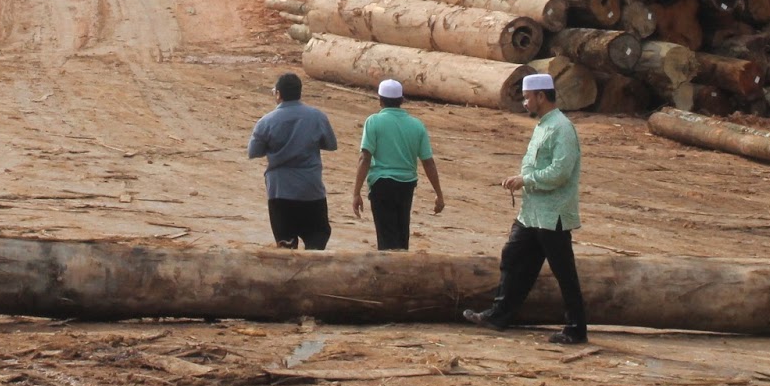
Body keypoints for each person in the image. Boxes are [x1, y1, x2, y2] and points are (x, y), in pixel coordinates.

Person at [464, 72, 588, 344]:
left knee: (563, 271)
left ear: (541, 96)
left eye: (527, 97)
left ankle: (577, 328)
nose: (524, 102)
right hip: (532, 211)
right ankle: (499, 315)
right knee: (513, 258)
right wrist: (523, 179)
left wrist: (525, 180)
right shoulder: (543, 125)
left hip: (552, 213)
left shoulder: (562, 128)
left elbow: (560, 172)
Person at [351, 78, 444, 250]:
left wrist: (356, 192)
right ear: (401, 100)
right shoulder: (417, 125)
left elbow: (365, 157)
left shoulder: (373, 122)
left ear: (380, 99)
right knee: (402, 234)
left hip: (381, 184)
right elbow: (428, 162)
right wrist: (439, 194)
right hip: (406, 186)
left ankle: (390, 273)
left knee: (386, 237)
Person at [247, 72, 338, 249]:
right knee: (317, 237)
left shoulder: (266, 122)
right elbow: (331, 145)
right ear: (299, 93)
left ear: (278, 94)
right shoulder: (317, 116)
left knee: (285, 243)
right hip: (310, 189)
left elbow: (253, 152)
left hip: (280, 190)